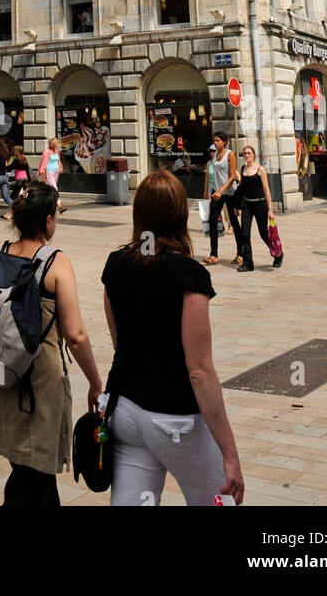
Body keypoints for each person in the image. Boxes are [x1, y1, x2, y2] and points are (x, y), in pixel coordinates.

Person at [101, 168, 244, 507]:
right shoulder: (188, 274)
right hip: (175, 418)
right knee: (217, 501)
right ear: (180, 215)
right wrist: (230, 452)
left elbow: (120, 344)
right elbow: (199, 369)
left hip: (125, 411)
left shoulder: (115, 264)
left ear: (139, 213)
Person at [0, 182, 102, 506]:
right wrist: (95, 382)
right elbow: (75, 335)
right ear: (48, 220)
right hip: (39, 385)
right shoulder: (55, 262)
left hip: (0, 381)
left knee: (26, 472)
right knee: (35, 478)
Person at [236, 146, 282, 271]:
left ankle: (278, 254)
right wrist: (237, 206)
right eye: (244, 153)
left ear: (254, 155)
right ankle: (248, 263)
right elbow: (241, 189)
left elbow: (266, 189)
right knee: (245, 233)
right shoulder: (243, 169)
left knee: (263, 233)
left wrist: (270, 209)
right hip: (247, 205)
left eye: (249, 153)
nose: (246, 155)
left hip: (260, 204)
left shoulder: (260, 169)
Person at [203, 134, 241, 266]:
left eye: (218, 141)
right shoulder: (215, 156)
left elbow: (232, 176)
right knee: (212, 221)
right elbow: (211, 175)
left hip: (229, 193)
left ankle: (240, 253)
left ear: (224, 142)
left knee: (234, 222)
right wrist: (208, 191)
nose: (215, 143)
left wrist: (221, 191)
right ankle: (214, 255)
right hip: (217, 192)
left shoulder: (230, 154)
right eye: (214, 141)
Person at [38, 138, 65, 212]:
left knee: (50, 189)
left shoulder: (57, 151)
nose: (57, 144)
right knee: (54, 188)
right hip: (49, 172)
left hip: (56, 172)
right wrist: (44, 176)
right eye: (55, 143)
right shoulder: (47, 152)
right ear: (51, 144)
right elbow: (43, 164)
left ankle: (46, 204)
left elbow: (58, 161)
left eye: (57, 143)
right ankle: (59, 206)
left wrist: (61, 167)